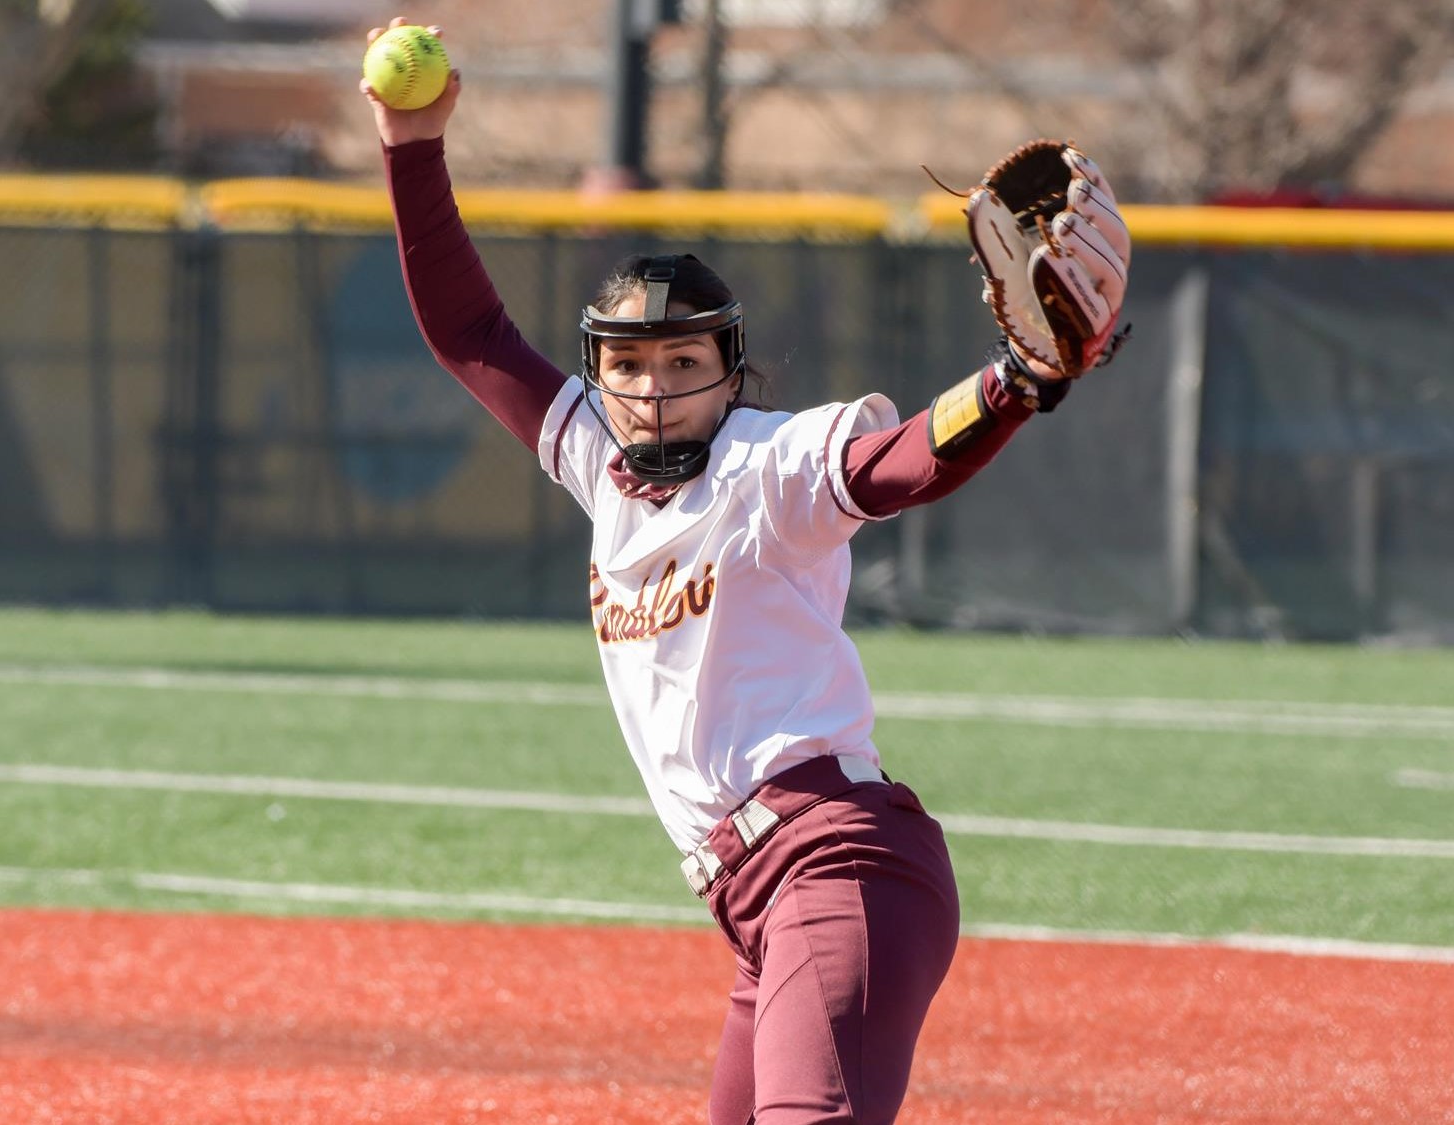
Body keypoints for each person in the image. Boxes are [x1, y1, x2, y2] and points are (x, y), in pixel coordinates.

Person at [363, 19, 1128, 1123]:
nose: (654, 388)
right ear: (598, 378)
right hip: (758, 905)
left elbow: (897, 464)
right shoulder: (594, 461)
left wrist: (1014, 383)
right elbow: (467, 330)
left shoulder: (766, 465)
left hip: (840, 869)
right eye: (629, 365)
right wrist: (411, 143)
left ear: (730, 374)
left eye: (684, 360)